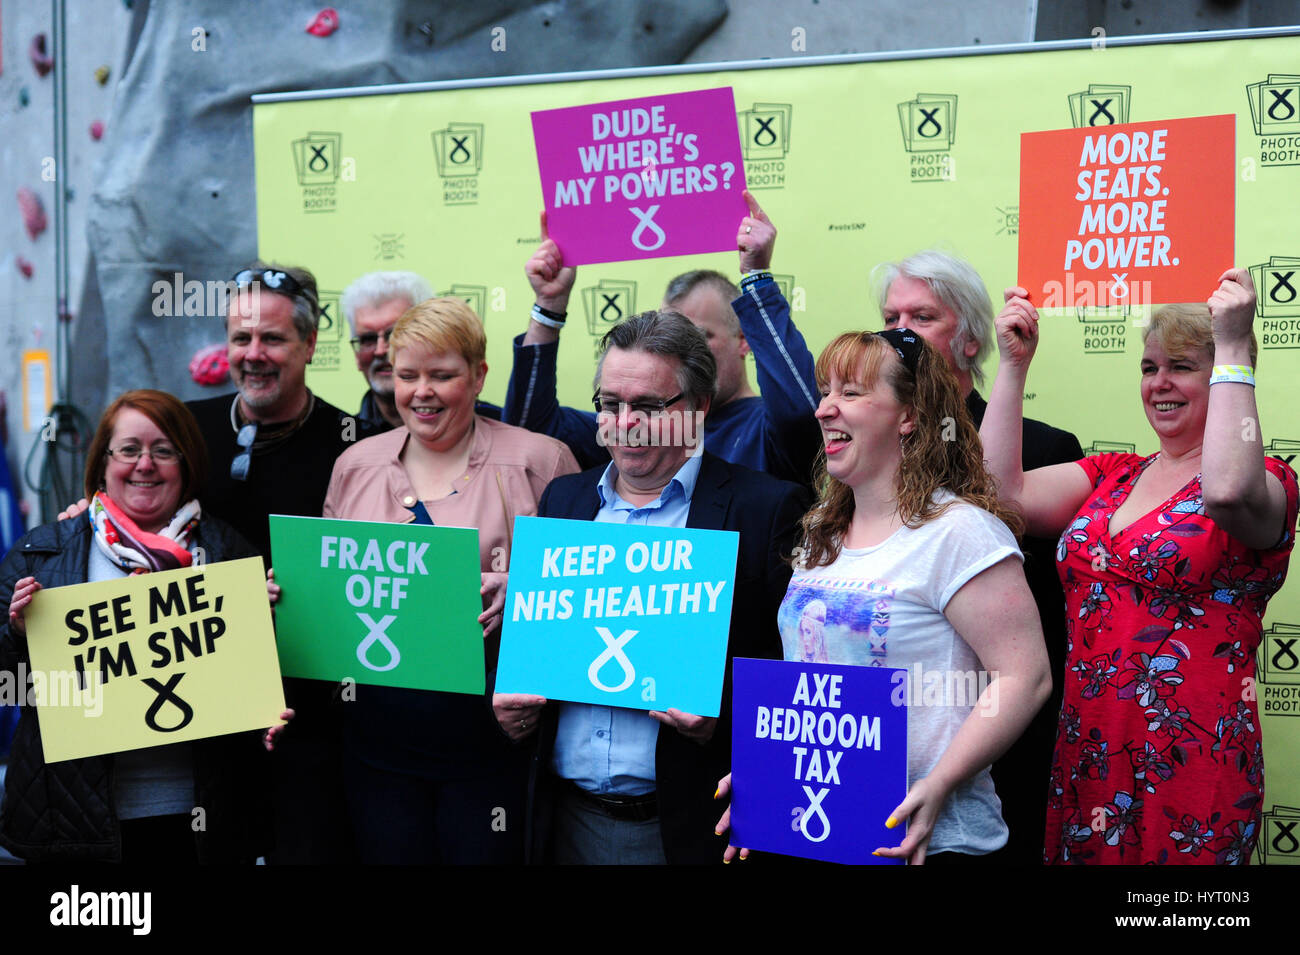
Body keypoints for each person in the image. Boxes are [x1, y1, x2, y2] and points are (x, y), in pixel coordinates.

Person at [980, 269, 1298, 865]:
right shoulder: (1112, 474)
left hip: (1194, 768)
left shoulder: (1267, 482)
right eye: (1149, 367)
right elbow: (999, 499)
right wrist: (1014, 365)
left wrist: (1232, 343)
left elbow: (1226, 492)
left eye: (1181, 366)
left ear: (1227, 375)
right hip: (1090, 754)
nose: (1159, 383)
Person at [717, 328, 1052, 864]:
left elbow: (1024, 677)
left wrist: (939, 782)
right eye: (825, 392)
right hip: (818, 834)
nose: (825, 409)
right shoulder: (819, 534)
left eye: (850, 393)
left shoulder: (960, 533)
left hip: (933, 845)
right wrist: (769, 771)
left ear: (909, 415)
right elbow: (810, 688)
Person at [493, 309, 809, 865]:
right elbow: (540, 646)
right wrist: (511, 705)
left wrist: (721, 714)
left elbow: (797, 674)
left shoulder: (765, 508)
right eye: (610, 405)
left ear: (699, 406)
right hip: (563, 822)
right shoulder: (564, 502)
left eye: (647, 406)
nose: (624, 423)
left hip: (692, 825)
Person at [315, 296, 578, 863]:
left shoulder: (542, 460)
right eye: (407, 375)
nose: (421, 392)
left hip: (496, 745)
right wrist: (290, 595)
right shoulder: (354, 465)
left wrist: (528, 592)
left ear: (479, 375)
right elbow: (329, 596)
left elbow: (586, 592)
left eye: (442, 375)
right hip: (377, 745)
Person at [0, 390, 278, 863]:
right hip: (75, 822)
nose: (145, 464)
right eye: (129, 449)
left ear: (186, 463)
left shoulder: (231, 554)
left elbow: (266, 685)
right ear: (104, 462)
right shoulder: (40, 554)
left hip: (199, 823)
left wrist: (269, 705)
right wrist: (18, 637)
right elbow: (8, 689)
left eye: (163, 450)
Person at [876, 249, 1083, 863]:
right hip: (885, 733)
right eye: (890, 316)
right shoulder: (861, 445)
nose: (899, 331)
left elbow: (1044, 605)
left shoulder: (1043, 447)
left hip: (1005, 731)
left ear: (970, 339)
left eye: (922, 316)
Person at [187, 261, 365, 863]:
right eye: (241, 338)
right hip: (197, 708)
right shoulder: (183, 430)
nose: (254, 354)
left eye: (273, 338)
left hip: (315, 718)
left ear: (310, 344)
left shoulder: (356, 442)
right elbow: (125, 508)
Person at [502, 191, 822, 484]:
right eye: (667, 341)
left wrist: (757, 276)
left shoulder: (765, 430)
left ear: (744, 339)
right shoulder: (632, 430)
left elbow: (799, 412)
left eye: (699, 337)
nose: (682, 354)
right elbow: (526, 436)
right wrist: (548, 307)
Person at [341, 270, 501, 431]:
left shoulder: (502, 429)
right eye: (368, 340)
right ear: (356, 354)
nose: (381, 350)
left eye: (394, 334)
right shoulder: (346, 438)